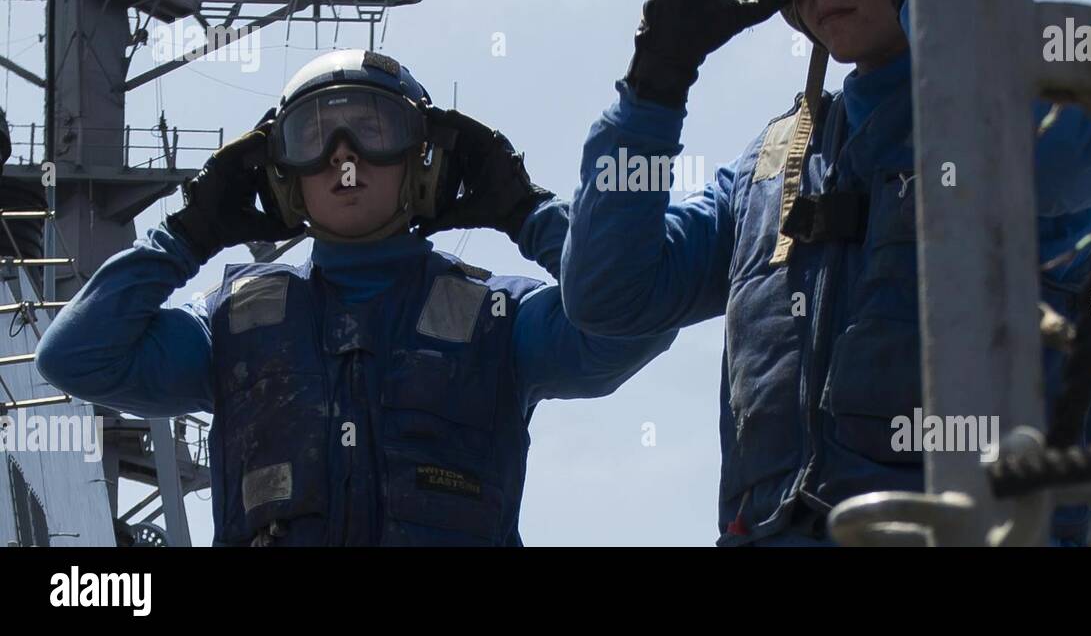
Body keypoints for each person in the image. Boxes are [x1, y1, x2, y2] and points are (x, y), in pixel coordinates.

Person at [560, 0, 1091, 545]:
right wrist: (653, 89)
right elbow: (608, 294)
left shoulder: (1048, 94)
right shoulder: (768, 171)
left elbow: (1066, 135)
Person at [36, 48, 676, 546]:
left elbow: (633, 318)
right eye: (314, 137)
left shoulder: (500, 317)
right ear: (283, 176)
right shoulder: (226, 326)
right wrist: (185, 236)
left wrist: (528, 213)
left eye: (375, 129)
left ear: (422, 162)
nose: (347, 159)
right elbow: (76, 357)